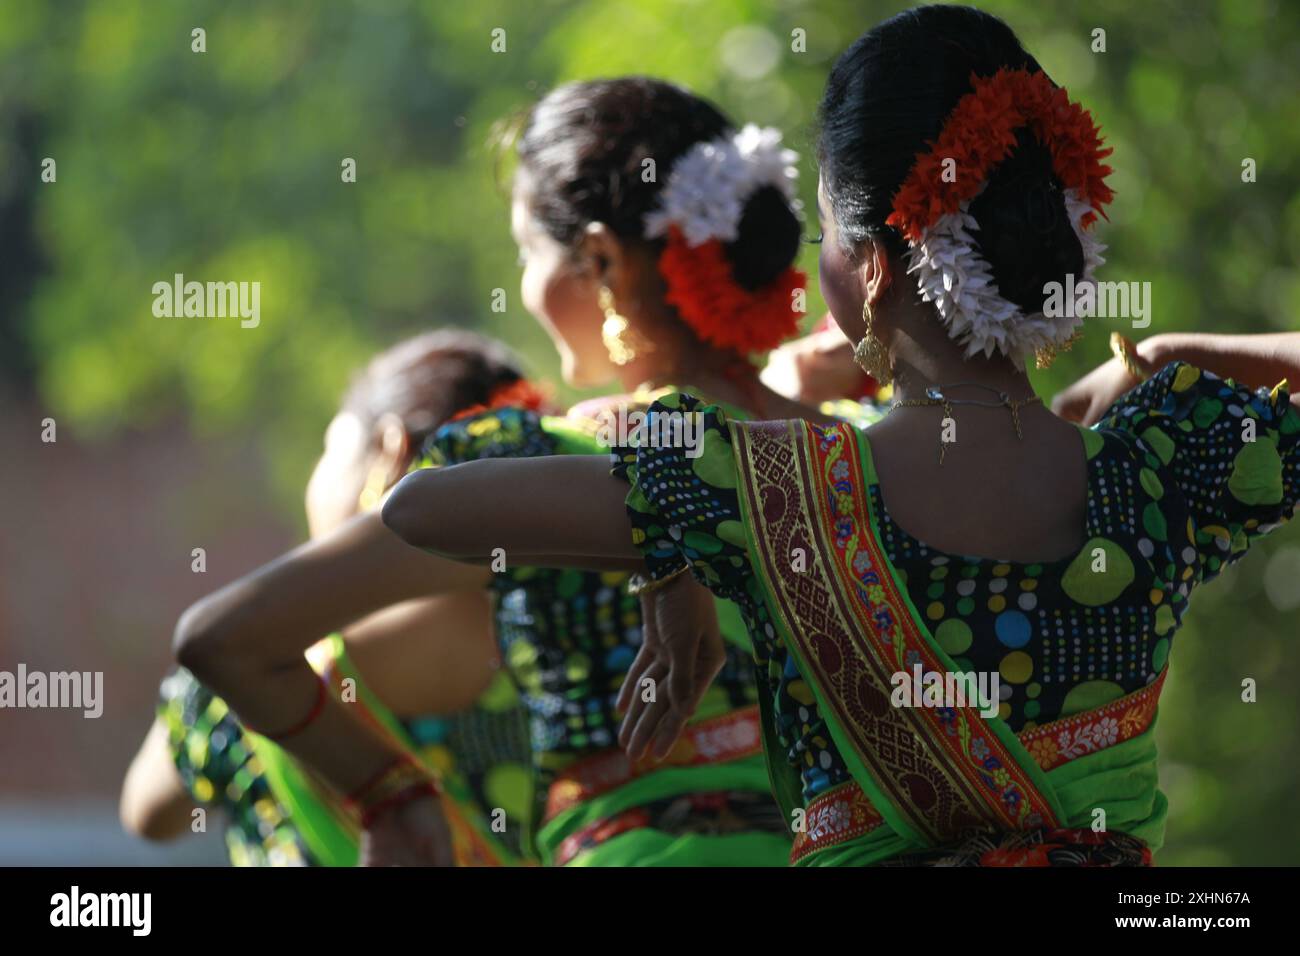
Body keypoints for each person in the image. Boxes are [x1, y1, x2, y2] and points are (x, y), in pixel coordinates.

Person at [379, 6, 1300, 866]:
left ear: (866, 267)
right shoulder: (1165, 459)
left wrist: (670, 554)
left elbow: (420, 508)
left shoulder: (768, 488)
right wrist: (1179, 349)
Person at [176, 77, 828, 866]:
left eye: (527, 250)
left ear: (598, 258)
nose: (524, 287)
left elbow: (222, 640)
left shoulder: (538, 473)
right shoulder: (859, 450)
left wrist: (392, 795)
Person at [123, 330, 535, 865]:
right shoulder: (582, 648)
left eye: (330, 449)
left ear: (389, 451)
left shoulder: (244, 666)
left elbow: (148, 817)